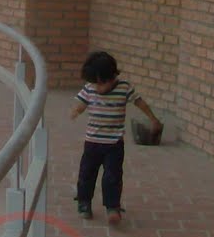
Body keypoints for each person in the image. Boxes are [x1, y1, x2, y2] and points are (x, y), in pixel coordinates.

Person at [69, 50, 162, 226]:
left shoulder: (124, 88)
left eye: (101, 83)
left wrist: (153, 118)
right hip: (92, 142)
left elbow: (139, 102)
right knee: (86, 174)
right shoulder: (89, 88)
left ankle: (112, 207)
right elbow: (82, 103)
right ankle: (84, 202)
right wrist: (76, 111)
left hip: (114, 143)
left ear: (112, 77)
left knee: (112, 176)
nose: (98, 88)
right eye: (94, 84)